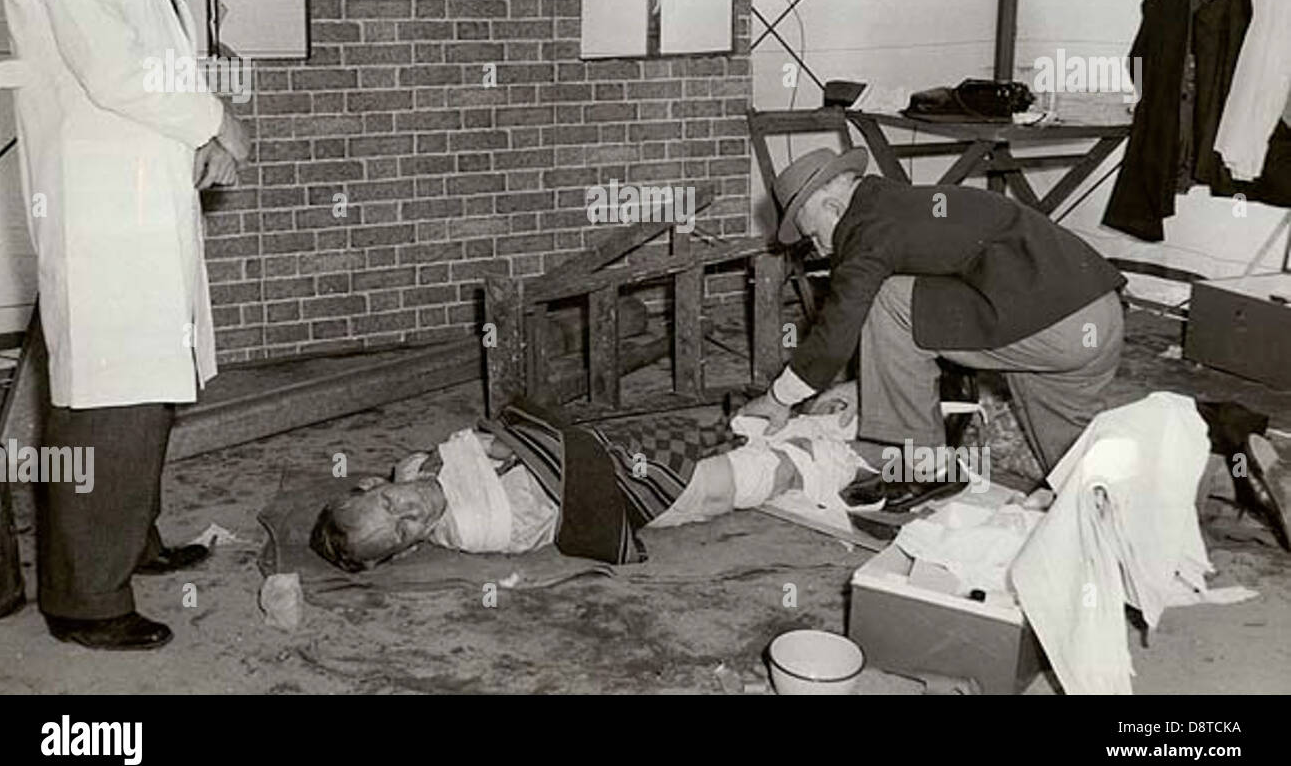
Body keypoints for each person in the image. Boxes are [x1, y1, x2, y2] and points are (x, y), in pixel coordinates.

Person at [0, 0, 252, 649]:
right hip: (103, 210)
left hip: (141, 199)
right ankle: (85, 599)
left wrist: (201, 127)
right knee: (108, 396)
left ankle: (128, 543)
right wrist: (215, 118)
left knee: (148, 388)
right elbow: (117, 69)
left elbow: (159, 58)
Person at [736, 148, 1125, 476]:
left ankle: (917, 462)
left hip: (1049, 327)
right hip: (1096, 315)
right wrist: (871, 388)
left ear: (834, 207)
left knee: (886, 297)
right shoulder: (902, 204)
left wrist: (779, 398)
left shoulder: (867, 231)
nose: (820, 250)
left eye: (813, 236)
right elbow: (936, 331)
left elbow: (838, 331)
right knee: (1079, 475)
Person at [311, 385, 863, 572]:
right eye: (404, 532)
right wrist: (507, 448)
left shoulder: (412, 467)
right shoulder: (476, 528)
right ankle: (835, 452)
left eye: (390, 504)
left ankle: (813, 424)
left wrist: (505, 446)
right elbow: (557, 480)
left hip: (611, 448)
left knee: (722, 433)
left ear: (372, 485)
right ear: (407, 551)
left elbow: (503, 437)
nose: (412, 513)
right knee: (749, 479)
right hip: (623, 491)